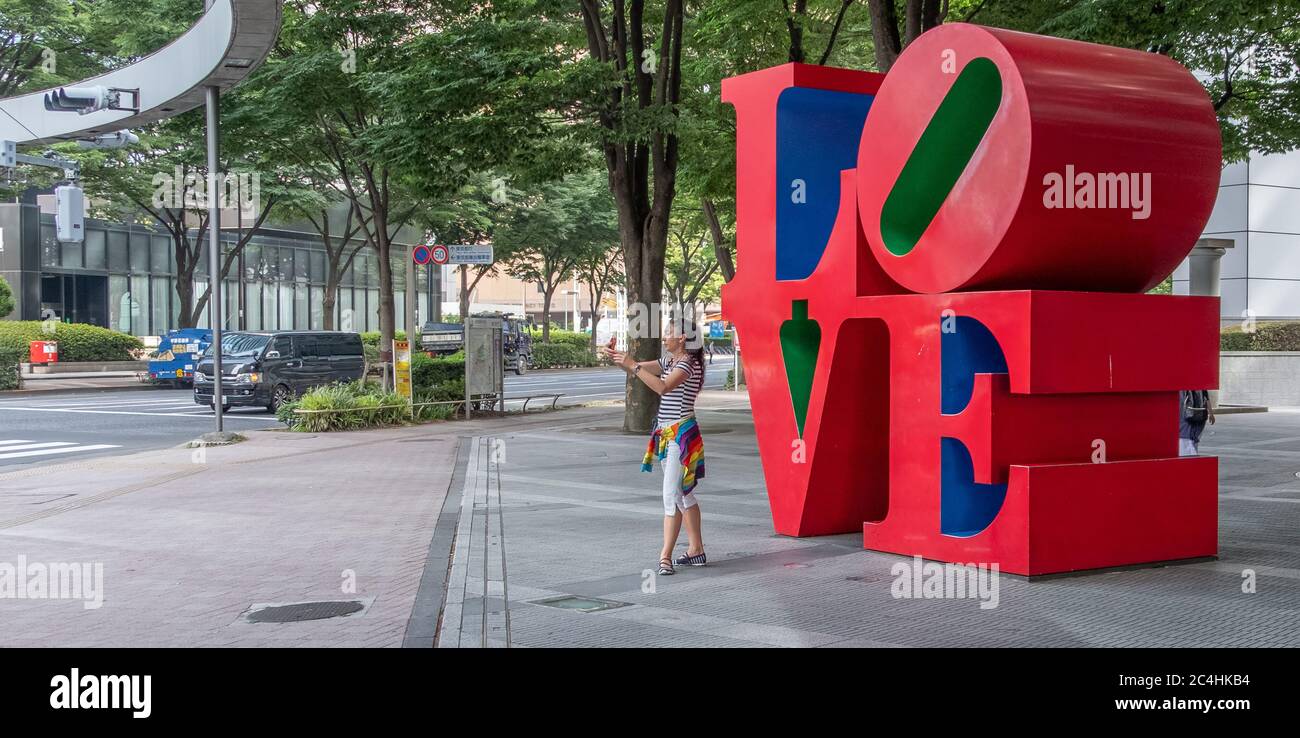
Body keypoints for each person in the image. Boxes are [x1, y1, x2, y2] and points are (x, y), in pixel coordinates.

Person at [604, 320, 707, 576]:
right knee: (683, 494)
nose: (663, 338)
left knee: (671, 496)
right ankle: (696, 550)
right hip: (667, 433)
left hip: (681, 434)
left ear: (682, 338)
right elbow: (636, 370)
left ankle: (665, 556)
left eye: (668, 333)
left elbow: (662, 386)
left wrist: (632, 364)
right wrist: (617, 357)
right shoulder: (669, 362)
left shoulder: (687, 364)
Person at [1179, 389, 1215, 456]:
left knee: (1187, 441)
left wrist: (1210, 413)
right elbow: (1205, 396)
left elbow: (1205, 395)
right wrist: (1210, 413)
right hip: (1195, 415)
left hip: (1189, 417)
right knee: (1189, 441)